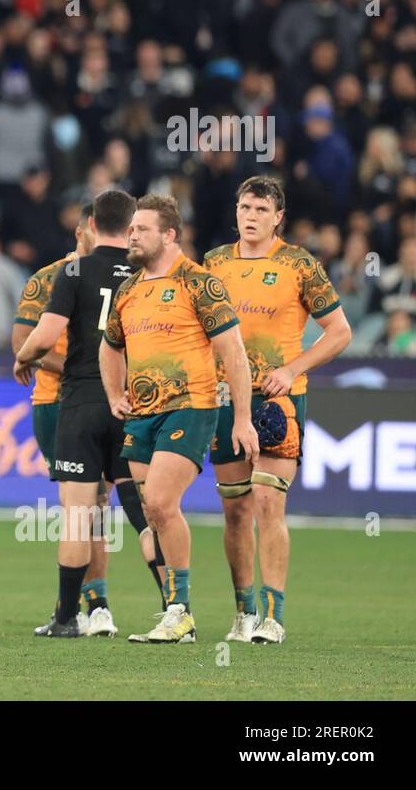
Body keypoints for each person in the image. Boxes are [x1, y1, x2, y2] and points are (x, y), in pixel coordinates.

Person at [99, 195, 259, 644]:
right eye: (130, 229)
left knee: (162, 504)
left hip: (191, 405)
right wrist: (115, 393)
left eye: (142, 229)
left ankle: (180, 611)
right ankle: (179, 614)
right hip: (142, 416)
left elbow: (233, 351)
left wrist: (242, 419)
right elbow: (110, 346)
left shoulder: (198, 282)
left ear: (169, 235)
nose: (132, 235)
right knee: (152, 512)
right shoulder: (129, 289)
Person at [203, 177, 350, 644]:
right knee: (234, 511)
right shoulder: (214, 263)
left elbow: (340, 331)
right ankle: (243, 612)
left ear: (278, 217)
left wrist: (293, 368)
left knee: (268, 502)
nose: (250, 216)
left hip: (278, 400)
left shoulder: (299, 265)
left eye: (261, 210)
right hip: (225, 399)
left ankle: (273, 616)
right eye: (245, 207)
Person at [16, 190, 156, 638]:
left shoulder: (71, 272)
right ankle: (176, 607)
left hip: (78, 400)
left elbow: (39, 336)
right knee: (145, 510)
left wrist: (25, 357)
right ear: (132, 227)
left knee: (80, 512)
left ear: (91, 225)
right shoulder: (147, 273)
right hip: (133, 401)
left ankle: (68, 616)